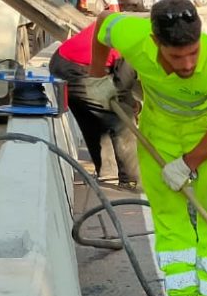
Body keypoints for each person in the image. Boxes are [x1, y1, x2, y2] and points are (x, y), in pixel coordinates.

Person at [87, 0, 207, 296]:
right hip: (158, 133)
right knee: (168, 217)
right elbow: (102, 24)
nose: (187, 63)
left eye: (192, 52)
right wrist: (96, 77)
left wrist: (190, 163)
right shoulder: (134, 35)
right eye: (177, 56)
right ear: (156, 42)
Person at [49, 11, 140, 188]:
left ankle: (109, 174)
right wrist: (132, 106)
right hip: (75, 67)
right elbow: (121, 84)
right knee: (121, 120)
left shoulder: (131, 29)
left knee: (96, 118)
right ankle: (131, 180)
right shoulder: (138, 45)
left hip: (64, 62)